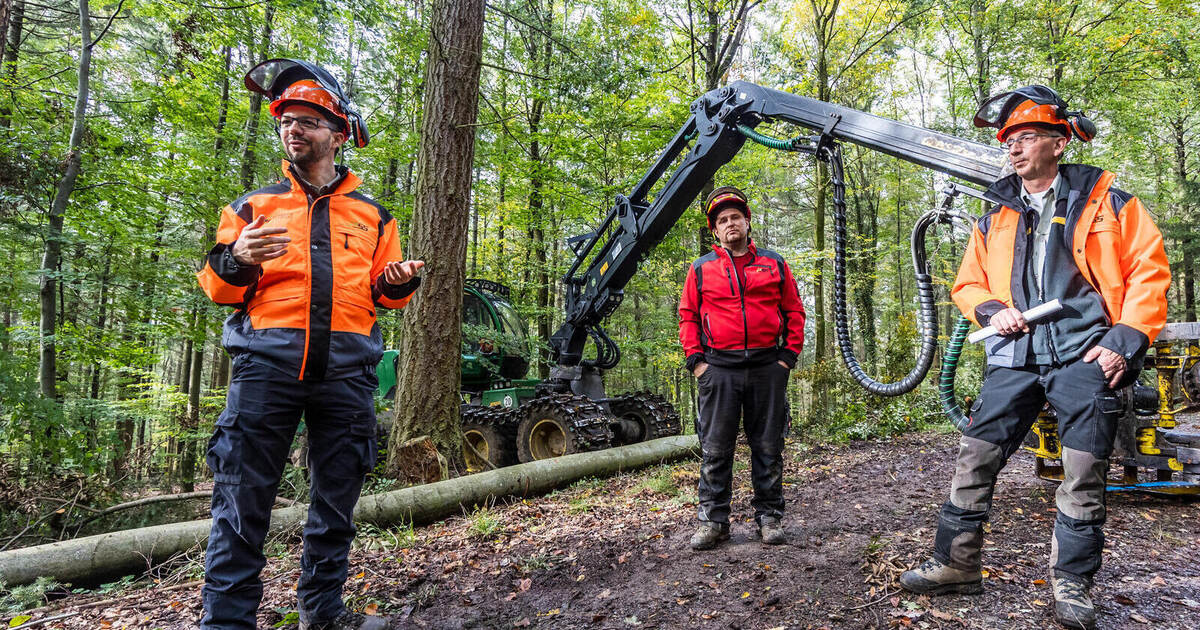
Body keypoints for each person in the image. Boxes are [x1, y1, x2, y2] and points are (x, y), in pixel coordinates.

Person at [898, 86, 1170, 630]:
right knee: (975, 455)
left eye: (1025, 138)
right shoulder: (995, 210)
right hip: (1014, 354)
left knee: (1083, 469)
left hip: (1084, 352)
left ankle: (1071, 584)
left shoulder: (1110, 201)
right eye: (1009, 141)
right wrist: (992, 309)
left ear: (1059, 144)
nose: (1014, 149)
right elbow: (968, 283)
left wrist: (1124, 338)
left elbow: (1148, 270)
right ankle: (956, 564)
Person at [196, 59, 423, 630]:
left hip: (348, 374)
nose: (292, 129)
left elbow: (383, 298)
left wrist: (397, 283)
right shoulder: (253, 208)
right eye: (285, 121)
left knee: (336, 504)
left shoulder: (374, 214)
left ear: (338, 133)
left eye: (307, 121)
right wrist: (239, 257)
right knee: (241, 504)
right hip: (265, 370)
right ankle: (226, 624)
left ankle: (322, 615)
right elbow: (218, 286)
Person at [678, 186, 806, 550]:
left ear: (747, 222)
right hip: (719, 370)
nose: (730, 223)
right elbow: (687, 316)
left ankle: (769, 518)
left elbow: (794, 311)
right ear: (715, 230)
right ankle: (713, 522)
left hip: (768, 367)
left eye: (735, 217)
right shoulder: (701, 269)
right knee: (716, 449)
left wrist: (786, 359)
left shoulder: (774, 262)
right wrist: (697, 362)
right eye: (722, 220)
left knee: (768, 446)